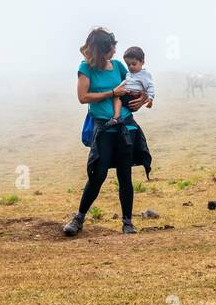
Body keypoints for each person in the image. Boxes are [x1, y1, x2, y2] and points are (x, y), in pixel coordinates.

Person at [63, 28, 153, 237]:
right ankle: (79, 218)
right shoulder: (85, 68)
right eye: (111, 47)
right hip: (103, 128)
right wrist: (112, 93)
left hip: (125, 127)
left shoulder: (119, 66)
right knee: (98, 174)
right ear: (102, 50)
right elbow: (83, 97)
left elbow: (134, 86)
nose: (115, 51)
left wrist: (142, 99)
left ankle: (127, 222)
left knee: (125, 175)